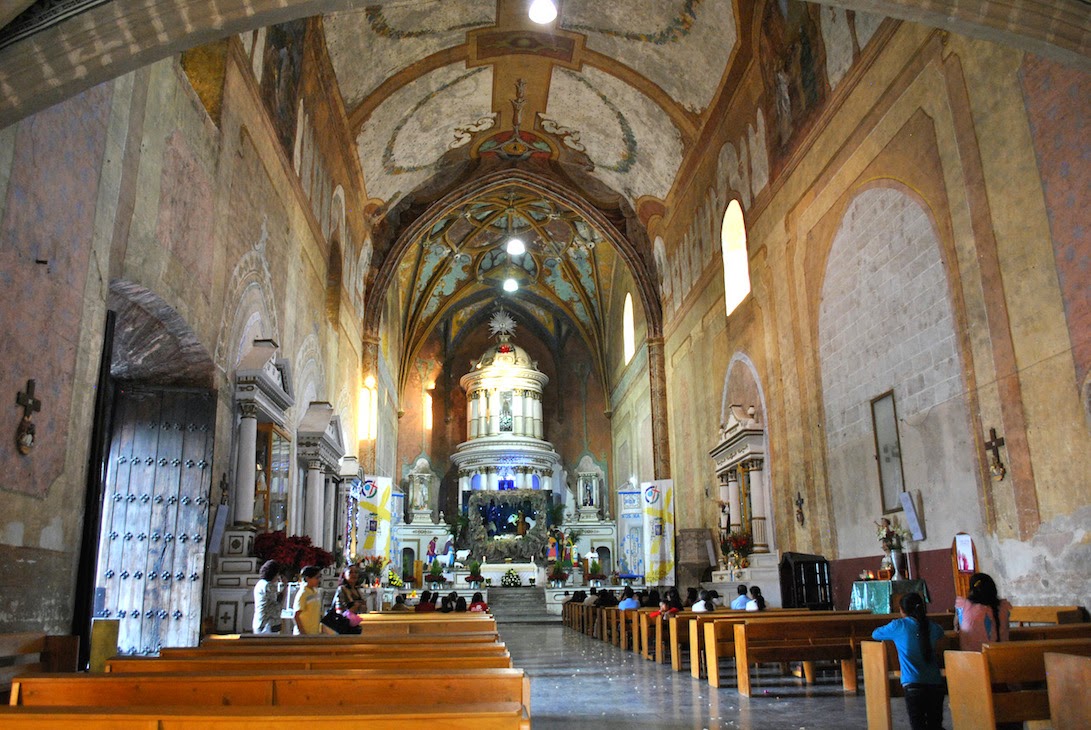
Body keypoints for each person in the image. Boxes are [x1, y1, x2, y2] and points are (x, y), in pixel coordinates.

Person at [872, 593, 945, 730]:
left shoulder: (898, 626)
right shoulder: (932, 627)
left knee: (918, 725)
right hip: (935, 683)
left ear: (902, 610)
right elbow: (941, 632)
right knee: (935, 725)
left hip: (912, 684)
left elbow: (875, 634)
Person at [955, 572, 1011, 651]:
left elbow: (956, 628)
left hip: (970, 660)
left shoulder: (963, 607)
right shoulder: (1003, 608)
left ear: (971, 590)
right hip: (1001, 658)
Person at [292, 565, 325, 635]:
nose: (318, 580)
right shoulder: (303, 593)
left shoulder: (316, 592)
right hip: (304, 634)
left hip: (314, 633)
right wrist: (302, 633)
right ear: (307, 579)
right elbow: (296, 615)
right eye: (316, 578)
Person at [252, 560, 282, 633]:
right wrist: (285, 590)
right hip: (267, 623)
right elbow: (276, 603)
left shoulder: (260, 583)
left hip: (260, 621)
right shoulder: (268, 585)